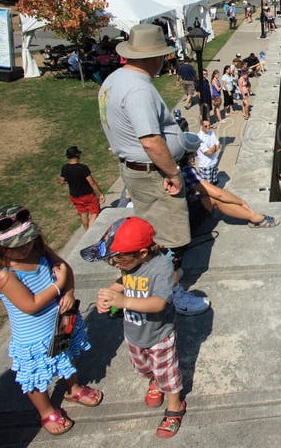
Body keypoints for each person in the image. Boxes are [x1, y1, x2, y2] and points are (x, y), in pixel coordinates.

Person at [98, 23, 210, 316]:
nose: (166, 59)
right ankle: (171, 294)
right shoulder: (138, 90)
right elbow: (150, 140)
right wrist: (172, 173)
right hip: (153, 174)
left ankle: (145, 283)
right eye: (164, 54)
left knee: (151, 232)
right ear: (155, 56)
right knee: (169, 240)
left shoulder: (115, 79)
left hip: (135, 169)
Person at [0, 205, 101, 436]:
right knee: (35, 377)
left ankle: (73, 387)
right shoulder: (4, 274)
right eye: (16, 246)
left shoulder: (40, 250)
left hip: (61, 320)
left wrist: (69, 293)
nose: (25, 247)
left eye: (28, 240)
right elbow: (30, 304)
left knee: (67, 356)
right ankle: (46, 411)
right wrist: (58, 286)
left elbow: (65, 268)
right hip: (33, 336)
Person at [90, 217, 188, 438]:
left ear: (142, 253)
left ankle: (175, 406)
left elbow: (159, 303)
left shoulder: (161, 267)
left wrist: (123, 302)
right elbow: (125, 280)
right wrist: (109, 294)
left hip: (158, 334)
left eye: (118, 259)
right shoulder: (130, 263)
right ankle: (154, 380)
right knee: (142, 368)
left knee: (168, 375)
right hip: (133, 332)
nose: (115, 264)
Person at [180, 164, 280, 228]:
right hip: (186, 224)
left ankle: (212, 213)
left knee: (208, 193)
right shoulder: (185, 170)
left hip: (179, 219)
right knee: (215, 198)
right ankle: (255, 218)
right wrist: (241, 201)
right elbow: (219, 194)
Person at [59, 146, 105, 230]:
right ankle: (89, 233)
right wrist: (100, 193)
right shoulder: (83, 168)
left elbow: (61, 181)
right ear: (77, 155)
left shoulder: (64, 168)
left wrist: (69, 181)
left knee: (83, 213)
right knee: (94, 213)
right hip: (88, 196)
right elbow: (92, 183)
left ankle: (86, 231)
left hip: (74, 196)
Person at [195, 118, 220, 183]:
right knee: (208, 187)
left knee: (214, 183)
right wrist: (214, 146)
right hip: (205, 166)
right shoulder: (199, 137)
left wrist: (212, 148)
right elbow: (208, 152)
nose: (208, 127)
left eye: (209, 125)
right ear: (201, 126)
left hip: (213, 162)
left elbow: (218, 146)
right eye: (206, 126)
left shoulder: (211, 132)